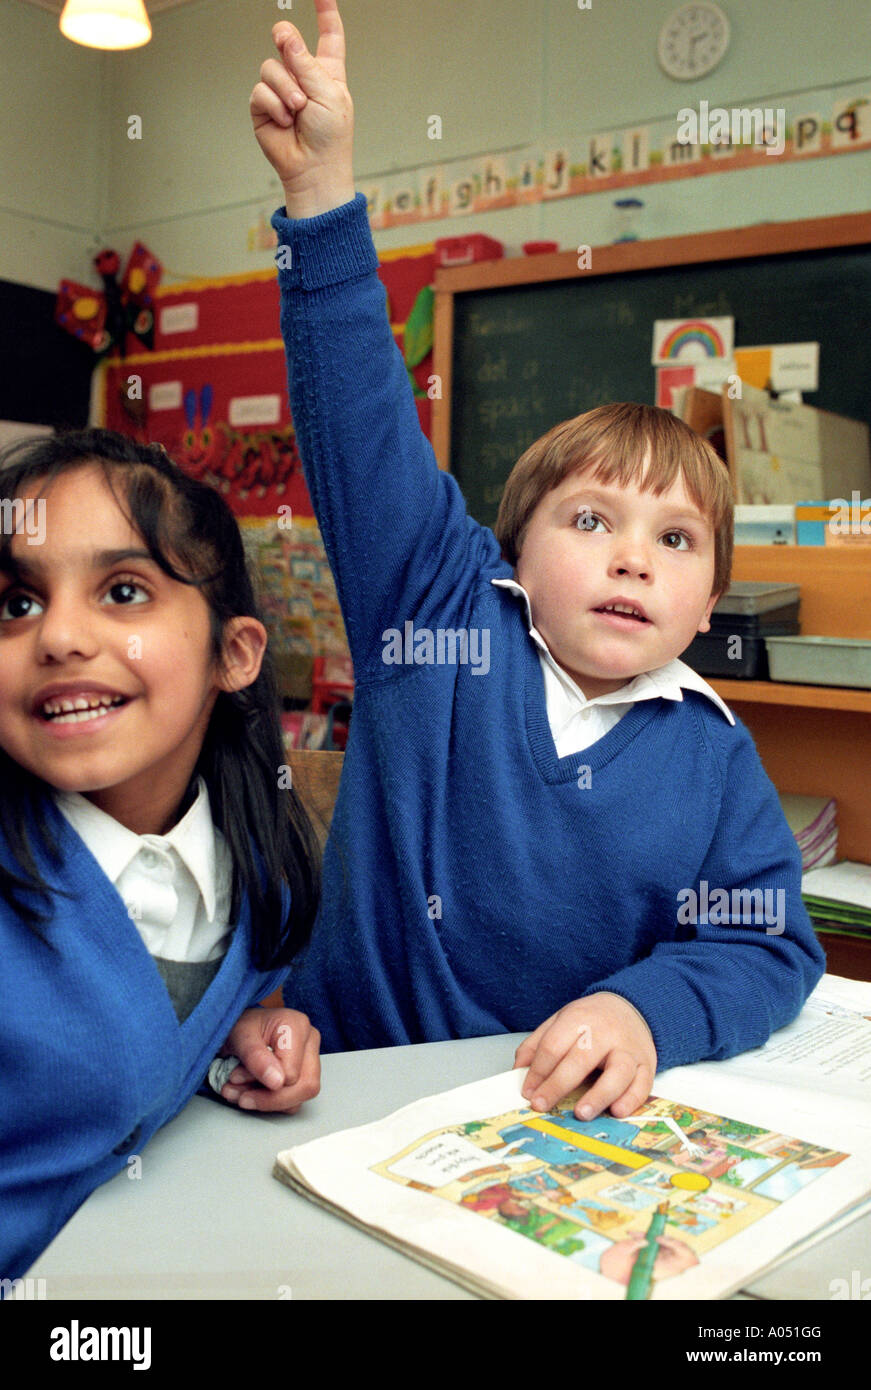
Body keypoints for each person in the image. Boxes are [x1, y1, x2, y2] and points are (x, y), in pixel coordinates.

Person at [249, 3, 825, 1124]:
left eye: (674, 540)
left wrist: (648, 1012)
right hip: (335, 1096)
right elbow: (364, 426)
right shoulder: (441, 612)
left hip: (535, 1134)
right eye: (589, 521)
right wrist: (320, 200)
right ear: (514, 549)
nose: (632, 560)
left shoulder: (713, 757)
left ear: (709, 599)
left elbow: (767, 942)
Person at [0, 429, 321, 1280]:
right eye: (15, 604)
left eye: (124, 590)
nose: (60, 636)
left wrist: (242, 1037)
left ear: (234, 654)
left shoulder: (258, 871)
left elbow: (191, 1002)